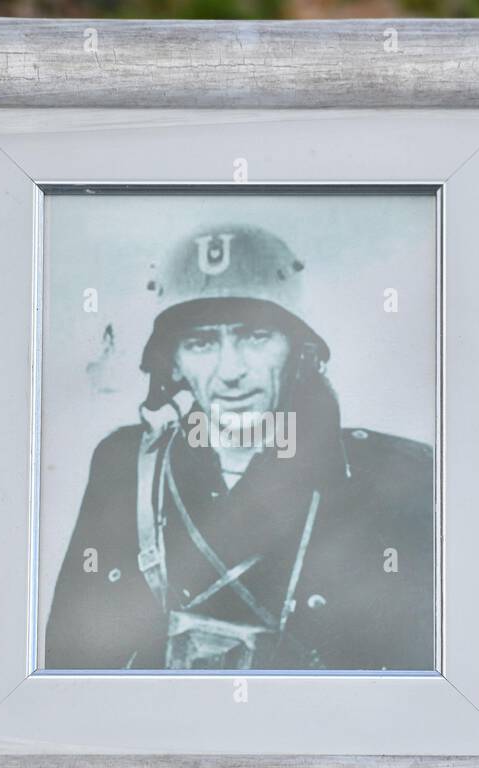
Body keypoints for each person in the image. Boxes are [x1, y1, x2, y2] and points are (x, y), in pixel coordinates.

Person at [45, 224, 434, 670]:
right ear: (171, 362)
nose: (231, 370)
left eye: (255, 336)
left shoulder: (393, 476)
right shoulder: (124, 464)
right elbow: (71, 663)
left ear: (298, 349)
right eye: (201, 342)